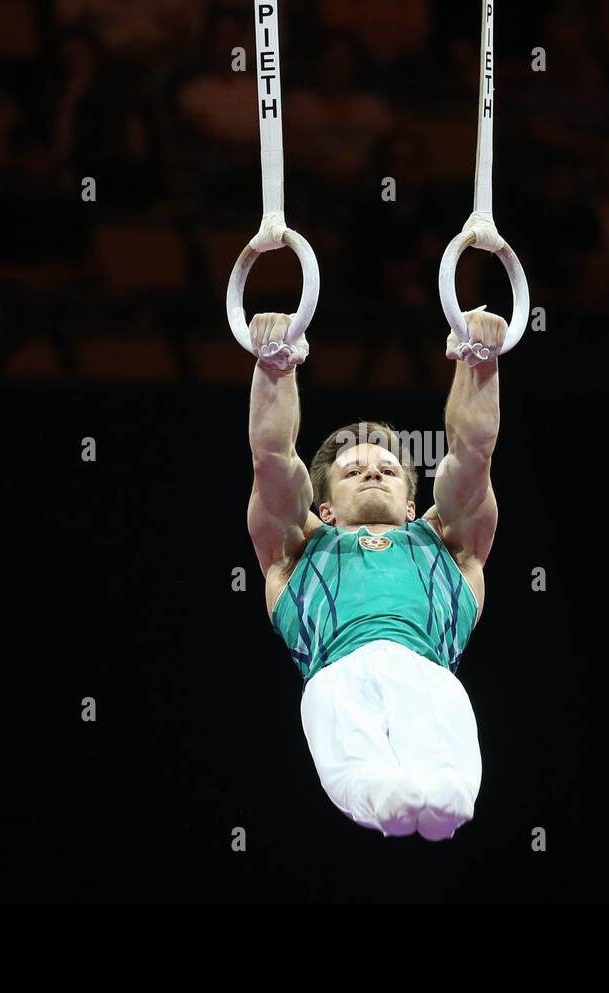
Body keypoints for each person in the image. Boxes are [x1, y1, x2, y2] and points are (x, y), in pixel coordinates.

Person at [245, 308, 504, 840]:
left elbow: (473, 455)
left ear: (413, 506)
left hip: (429, 677)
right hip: (338, 678)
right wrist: (276, 366)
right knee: (375, 785)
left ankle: (435, 806)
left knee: (450, 798)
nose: (372, 471)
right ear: (326, 508)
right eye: (352, 470)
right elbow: (272, 456)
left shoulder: (450, 543)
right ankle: (386, 800)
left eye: (388, 469)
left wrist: (479, 361)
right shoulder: (295, 549)